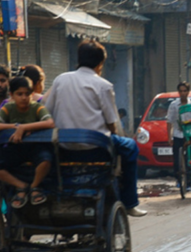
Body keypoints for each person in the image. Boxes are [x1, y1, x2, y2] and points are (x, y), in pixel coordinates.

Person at [45, 40, 147, 218]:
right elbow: (111, 122)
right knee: (131, 147)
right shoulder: (103, 85)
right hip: (96, 149)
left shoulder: (61, 79)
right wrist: (115, 134)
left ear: (79, 59)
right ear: (100, 63)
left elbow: (47, 111)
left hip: (64, 148)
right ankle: (130, 202)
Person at [0, 76, 55, 208]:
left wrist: (25, 128)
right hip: (15, 148)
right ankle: (22, 186)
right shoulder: (8, 108)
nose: (24, 98)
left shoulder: (37, 107)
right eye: (19, 94)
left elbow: (50, 123)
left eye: (27, 94)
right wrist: (15, 127)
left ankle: (34, 186)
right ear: (12, 95)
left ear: (32, 94)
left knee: (46, 161)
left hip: (35, 147)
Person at [165, 82, 190, 186]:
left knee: (189, 159)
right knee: (176, 160)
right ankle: (179, 180)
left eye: (185, 91)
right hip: (177, 134)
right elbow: (169, 121)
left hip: (189, 136)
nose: (183, 93)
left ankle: (189, 182)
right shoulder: (174, 105)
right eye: (181, 91)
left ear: (188, 92)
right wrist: (169, 137)